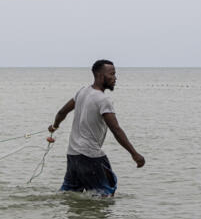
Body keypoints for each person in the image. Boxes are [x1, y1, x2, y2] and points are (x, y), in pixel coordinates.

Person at [49, 60, 145, 196]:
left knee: (69, 193)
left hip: (73, 155)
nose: (115, 78)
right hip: (90, 155)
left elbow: (62, 112)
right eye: (112, 74)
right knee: (106, 194)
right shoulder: (103, 100)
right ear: (100, 75)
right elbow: (116, 129)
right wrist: (134, 154)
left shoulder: (82, 92)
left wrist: (54, 126)